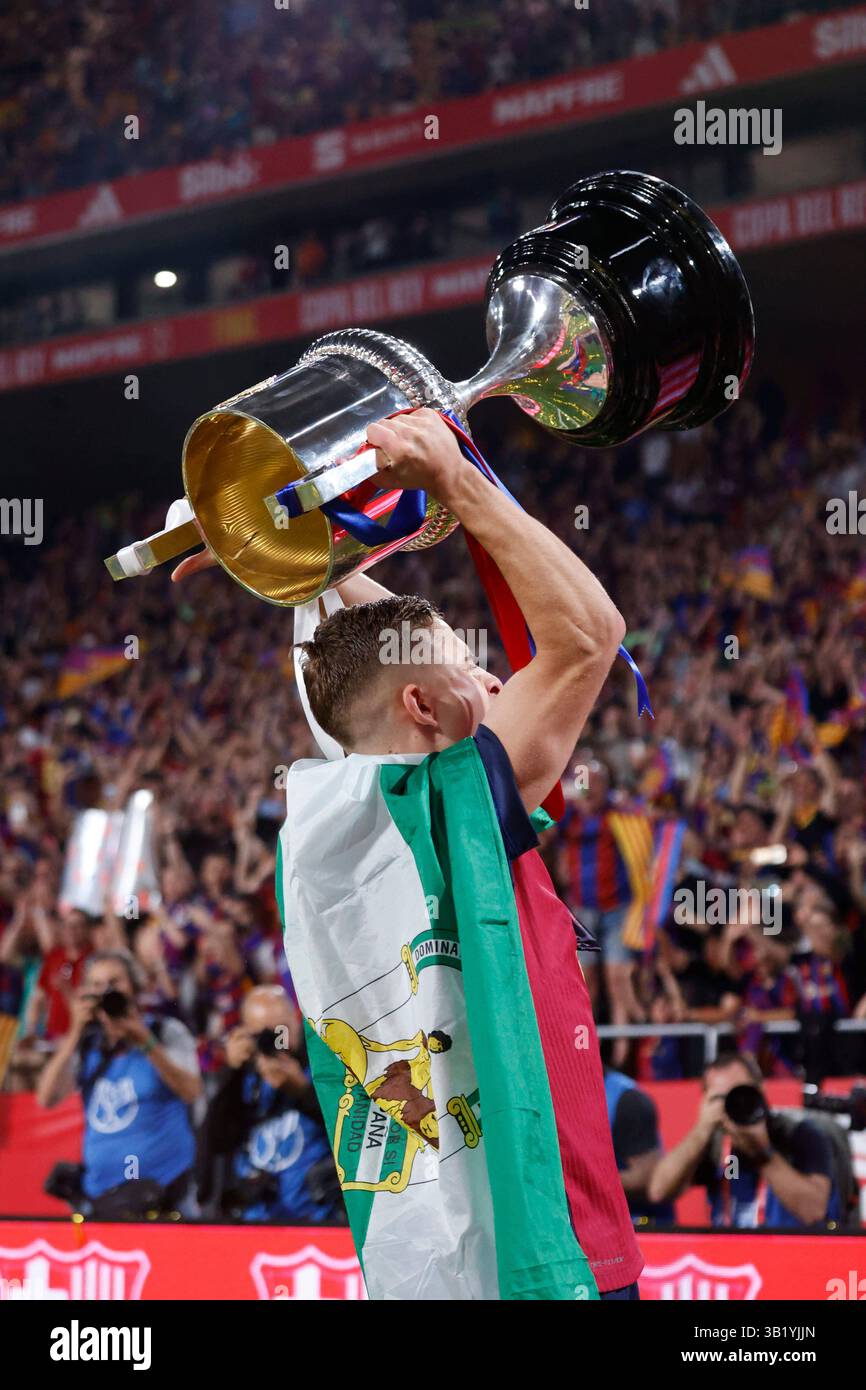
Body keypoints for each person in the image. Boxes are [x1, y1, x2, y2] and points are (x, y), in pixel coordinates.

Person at [172, 407, 642, 1300]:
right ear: (427, 709)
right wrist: (454, 479)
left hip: (417, 1258)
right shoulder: (464, 805)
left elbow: (369, 672)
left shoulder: (326, 806)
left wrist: (281, 551)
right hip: (547, 1247)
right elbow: (589, 635)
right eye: (474, 670)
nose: (498, 680)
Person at [36, 950, 202, 1216]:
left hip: (166, 1196)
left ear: (135, 987)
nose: (106, 991)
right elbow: (46, 1098)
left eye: (115, 982)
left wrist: (145, 1041)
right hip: (101, 1198)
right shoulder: (88, 1043)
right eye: (97, 985)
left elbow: (191, 1091)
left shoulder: (166, 1031)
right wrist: (74, 1032)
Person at [197, 984, 342, 1223]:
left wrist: (304, 1093)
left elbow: (353, 1132)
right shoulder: (244, 1079)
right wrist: (231, 1073)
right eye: (263, 1034)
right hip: (255, 1221)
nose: (277, 1041)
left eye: (281, 1029)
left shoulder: (325, 1065)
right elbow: (214, 1142)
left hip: (317, 1220)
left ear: (297, 1020)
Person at [646, 1051, 841, 1229]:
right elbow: (658, 1192)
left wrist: (762, 1154)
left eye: (742, 1093)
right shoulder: (712, 1142)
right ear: (705, 1100)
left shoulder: (798, 1134)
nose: (734, 1104)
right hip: (730, 1255)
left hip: (788, 1254)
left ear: (761, 1089)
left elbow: (814, 1212)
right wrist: (700, 1131)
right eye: (722, 1098)